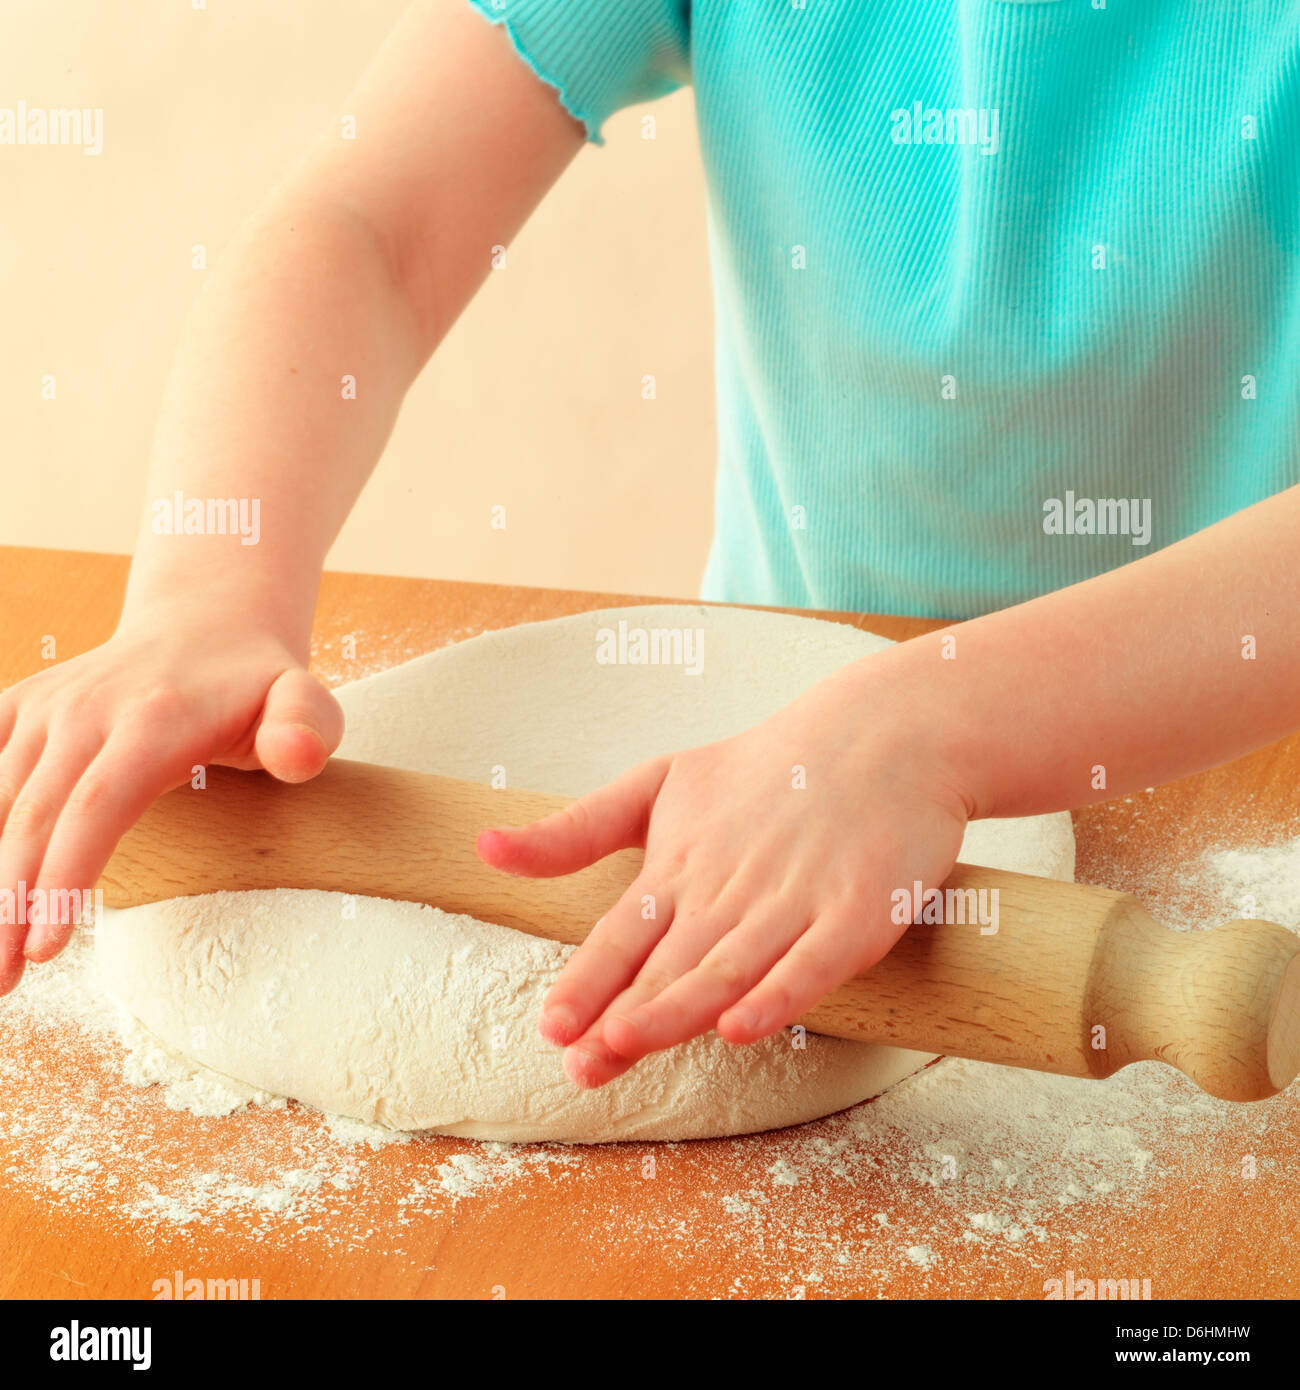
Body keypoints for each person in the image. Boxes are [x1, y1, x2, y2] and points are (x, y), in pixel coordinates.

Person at [4, 1, 1297, 1096]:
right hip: (764, 751)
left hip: (1250, 783)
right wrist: (205, 590)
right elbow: (374, 221)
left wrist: (931, 727)